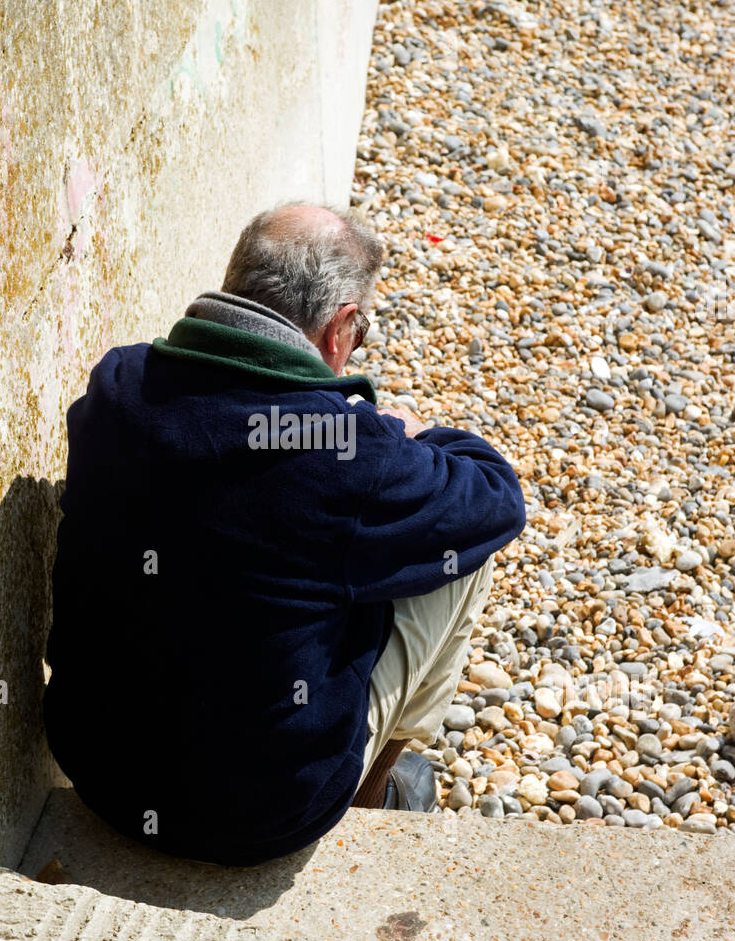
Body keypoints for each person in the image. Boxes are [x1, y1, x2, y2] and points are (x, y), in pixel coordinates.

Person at [43, 203, 525, 865]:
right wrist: (415, 436)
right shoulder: (352, 453)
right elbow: (496, 499)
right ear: (341, 327)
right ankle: (371, 792)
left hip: (97, 768)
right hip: (263, 816)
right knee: (458, 556)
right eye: (362, 335)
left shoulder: (119, 385)